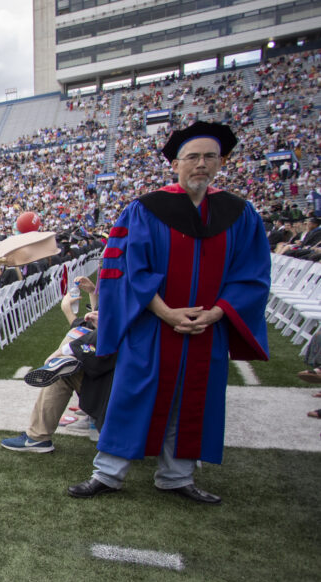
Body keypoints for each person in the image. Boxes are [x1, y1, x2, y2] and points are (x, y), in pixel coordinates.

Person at [68, 121, 271, 504]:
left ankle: (177, 477)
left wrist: (217, 313)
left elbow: (252, 274)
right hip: (152, 326)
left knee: (194, 400)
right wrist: (166, 312)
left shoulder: (239, 214)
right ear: (175, 164)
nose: (201, 164)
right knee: (131, 397)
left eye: (209, 157)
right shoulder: (146, 210)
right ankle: (107, 474)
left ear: (221, 162)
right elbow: (126, 269)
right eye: (192, 157)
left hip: (207, 329)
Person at [1, 276, 103, 453]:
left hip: (115, 383)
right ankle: (37, 436)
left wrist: (68, 313)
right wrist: (93, 293)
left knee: (62, 371)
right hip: (120, 373)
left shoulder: (128, 285)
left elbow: (102, 332)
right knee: (64, 365)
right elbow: (98, 324)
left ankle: (37, 437)